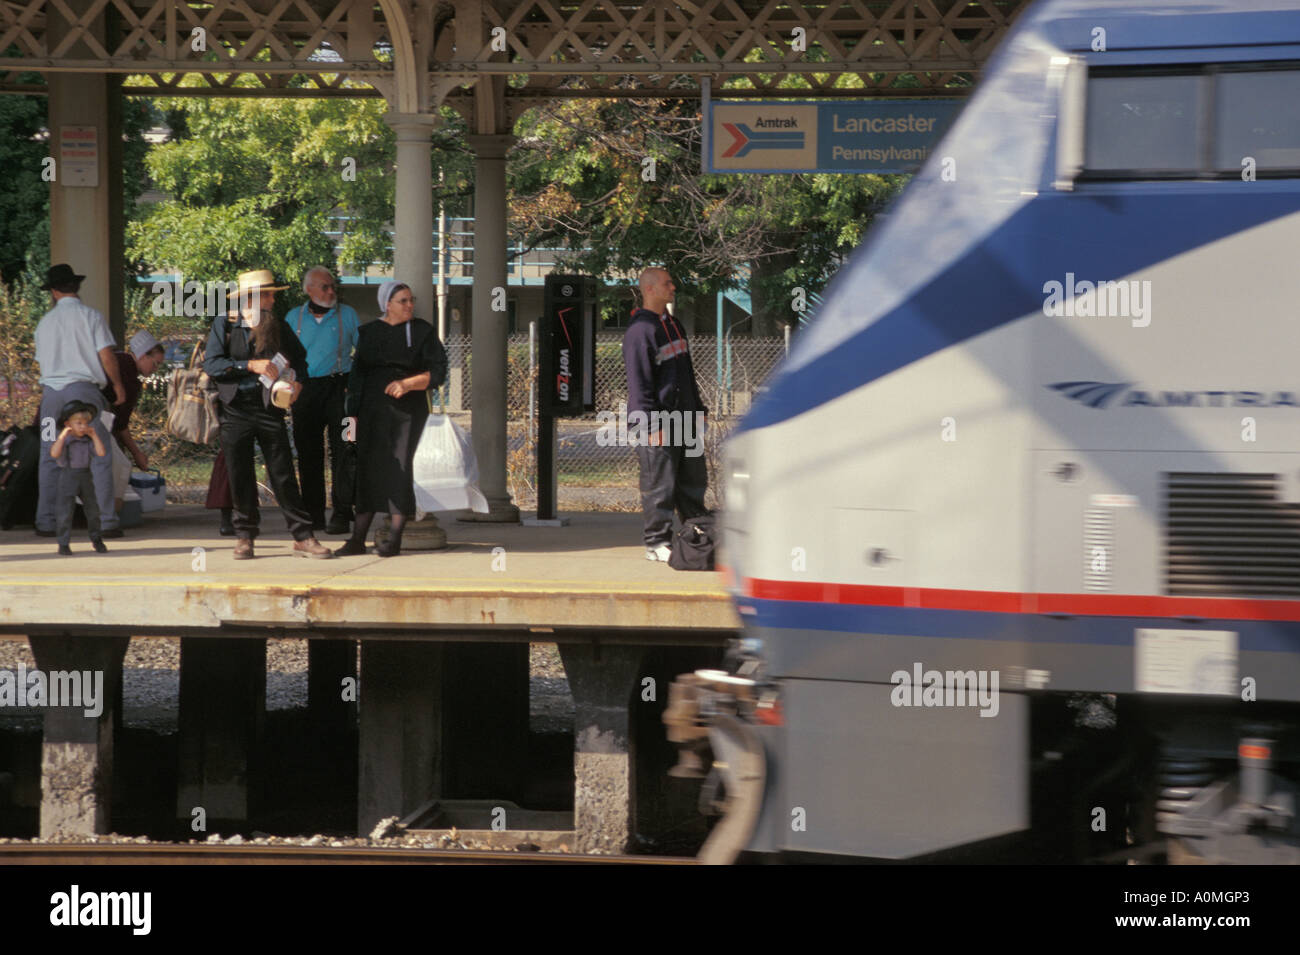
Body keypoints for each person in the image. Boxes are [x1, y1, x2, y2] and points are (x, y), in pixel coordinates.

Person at [201, 269, 333, 560]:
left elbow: (300, 360)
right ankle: (245, 536)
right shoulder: (225, 323)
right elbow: (211, 364)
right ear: (252, 297)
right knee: (239, 473)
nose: (273, 299)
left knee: (283, 473)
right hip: (235, 409)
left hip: (269, 407)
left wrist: (297, 382)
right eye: (269, 294)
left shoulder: (277, 326)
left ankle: (303, 536)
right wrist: (250, 366)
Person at [336, 280, 447, 558]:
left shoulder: (422, 331)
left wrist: (408, 384)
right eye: (403, 301)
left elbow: (438, 372)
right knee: (367, 470)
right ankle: (357, 538)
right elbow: (357, 377)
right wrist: (351, 418)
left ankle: (394, 539)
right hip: (371, 410)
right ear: (387, 304)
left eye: (411, 300)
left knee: (400, 468)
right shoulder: (369, 332)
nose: (410, 305)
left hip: (407, 413)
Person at [33, 263, 127, 538]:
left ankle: (46, 521)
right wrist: (117, 385)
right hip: (83, 395)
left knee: (49, 453)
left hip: (51, 397)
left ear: (52, 291)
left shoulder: (44, 324)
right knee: (97, 454)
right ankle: (105, 521)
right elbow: (106, 356)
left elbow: (43, 364)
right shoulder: (91, 317)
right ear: (77, 287)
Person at [622, 266, 708, 561]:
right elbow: (639, 382)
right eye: (667, 283)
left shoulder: (673, 324)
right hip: (658, 422)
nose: (673, 287)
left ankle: (697, 532)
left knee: (693, 480)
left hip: (685, 419)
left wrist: (698, 411)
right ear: (650, 289)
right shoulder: (640, 330)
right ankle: (656, 543)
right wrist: (651, 424)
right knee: (659, 485)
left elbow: (685, 374)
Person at [287, 267, 360, 535]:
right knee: (308, 453)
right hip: (305, 390)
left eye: (333, 287)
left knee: (346, 448)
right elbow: (283, 357)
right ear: (309, 289)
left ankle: (343, 511)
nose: (331, 292)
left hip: (341, 388)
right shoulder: (294, 317)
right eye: (325, 287)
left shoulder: (348, 314)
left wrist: (357, 390)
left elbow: (361, 353)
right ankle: (313, 513)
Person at [101, 330, 167, 511]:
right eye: (155, 364)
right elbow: (121, 423)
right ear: (143, 355)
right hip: (96, 421)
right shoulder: (128, 374)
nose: (155, 370)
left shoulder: (119, 359)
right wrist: (137, 453)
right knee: (121, 466)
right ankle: (110, 514)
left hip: (64, 415)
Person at [49, 400, 108, 555]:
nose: (83, 426)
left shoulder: (87, 440)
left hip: (85, 475)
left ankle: (97, 539)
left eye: (85, 423)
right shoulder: (66, 441)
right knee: (65, 511)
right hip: (68, 475)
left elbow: (101, 453)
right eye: (78, 423)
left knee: (93, 510)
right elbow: (54, 454)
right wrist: (62, 436)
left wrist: (94, 435)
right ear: (68, 424)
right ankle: (63, 543)